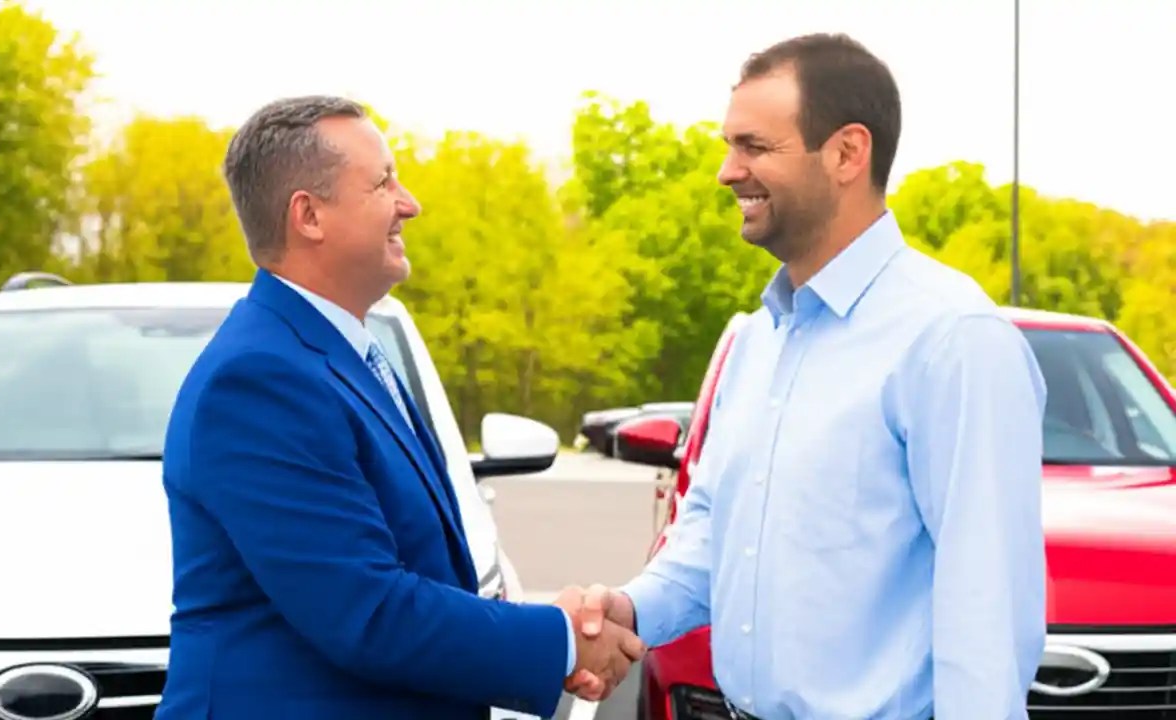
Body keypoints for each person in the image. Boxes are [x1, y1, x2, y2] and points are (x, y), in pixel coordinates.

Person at [567, 33, 1048, 719]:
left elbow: (987, 611)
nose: (727, 172)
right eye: (729, 146)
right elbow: (713, 534)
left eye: (755, 147)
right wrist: (630, 607)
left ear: (848, 153)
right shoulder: (759, 339)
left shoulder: (951, 338)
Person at [155, 95, 644, 720]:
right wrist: (561, 639)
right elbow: (364, 612)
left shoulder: (342, 354)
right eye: (383, 182)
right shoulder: (261, 379)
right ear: (308, 215)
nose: (408, 203)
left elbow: (419, 576)